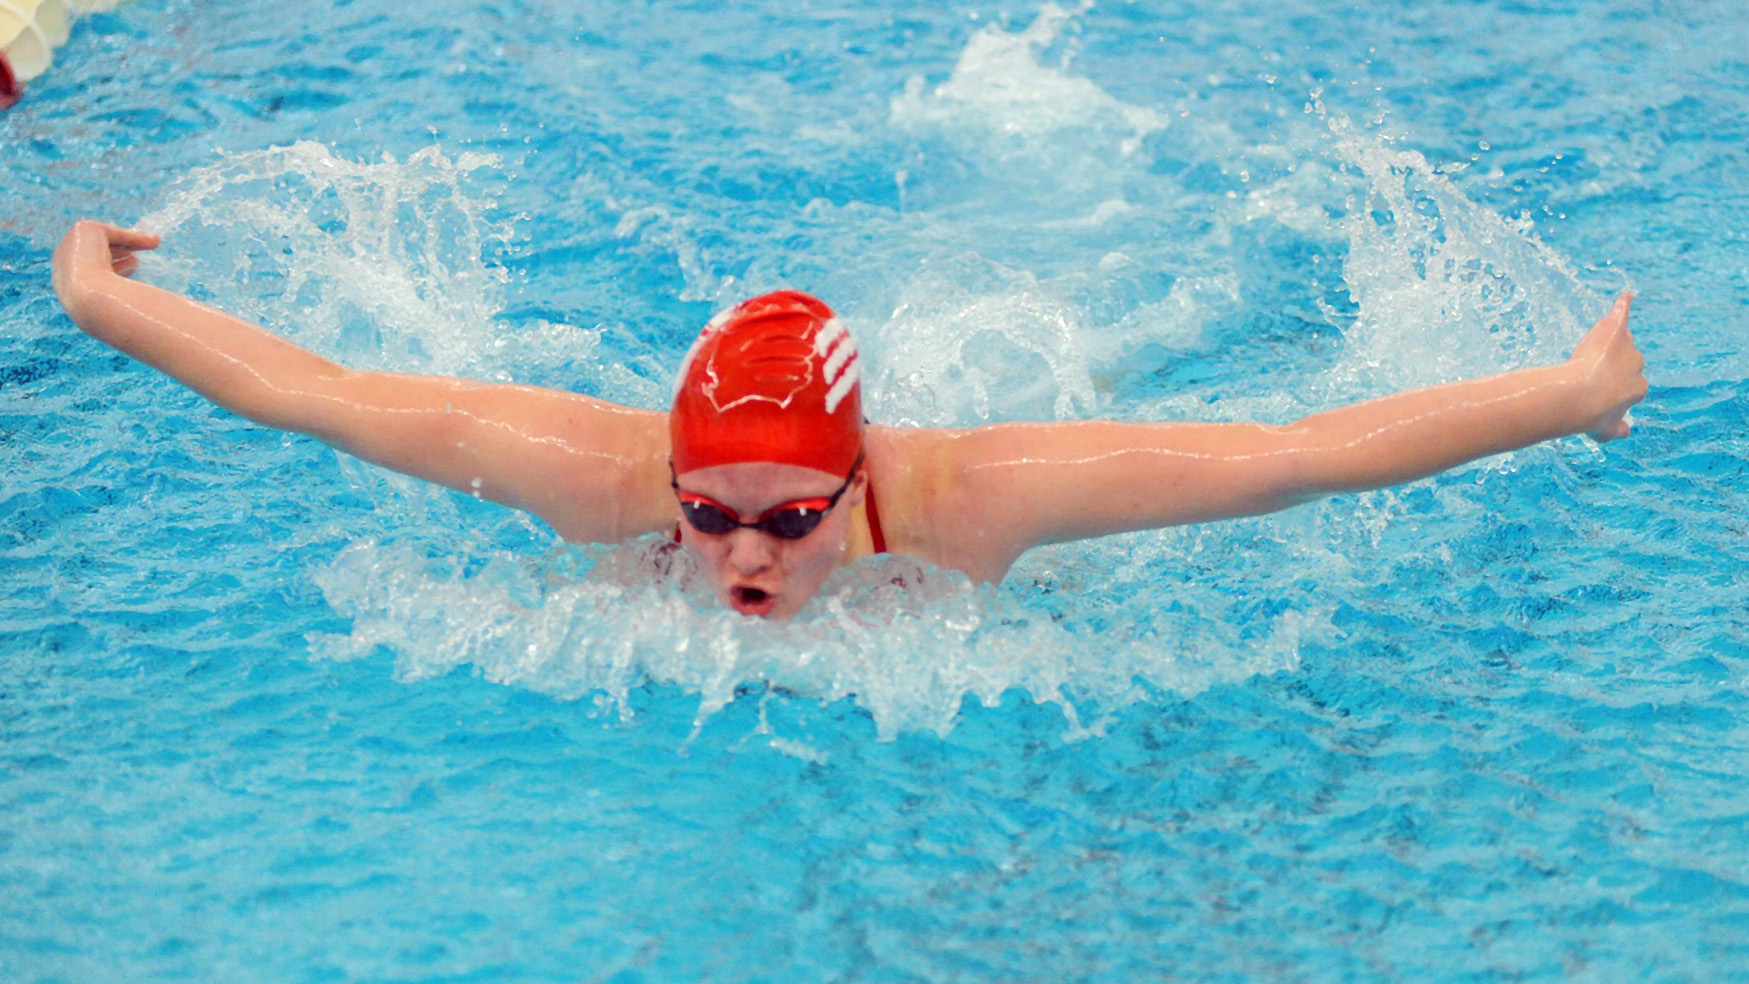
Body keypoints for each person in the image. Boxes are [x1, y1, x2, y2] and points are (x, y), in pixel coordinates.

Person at [52, 220, 1648, 620]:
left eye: (790, 519)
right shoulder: (590, 477)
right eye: (709, 512)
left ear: (859, 477)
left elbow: (1291, 457)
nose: (741, 554)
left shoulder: (977, 499)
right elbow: (315, 395)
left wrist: (1568, 396)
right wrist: (93, 297)